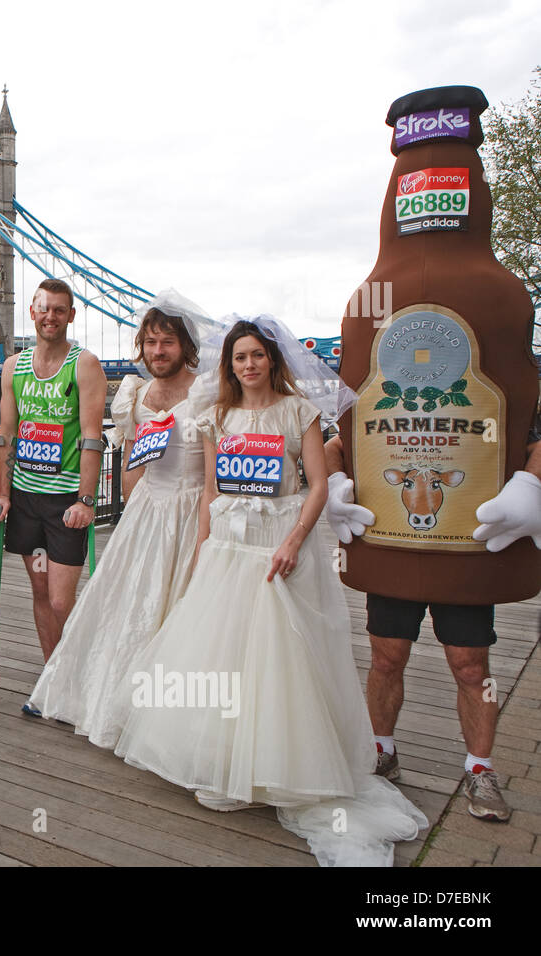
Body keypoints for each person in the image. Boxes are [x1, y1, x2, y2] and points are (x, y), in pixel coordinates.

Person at [109, 317, 426, 866]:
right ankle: (225, 761)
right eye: (239, 357)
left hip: (277, 540)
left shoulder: (298, 411)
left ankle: (280, 764)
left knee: (280, 657)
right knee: (222, 651)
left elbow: (318, 482)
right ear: (228, 364)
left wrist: (296, 540)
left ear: (271, 360)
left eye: (256, 355)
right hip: (229, 539)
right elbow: (210, 488)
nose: (248, 365)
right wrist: (203, 547)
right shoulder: (217, 416)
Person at [324, 413, 541, 822]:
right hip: (393, 550)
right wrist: (336, 482)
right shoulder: (382, 400)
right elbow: (337, 444)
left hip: (465, 554)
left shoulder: (482, 397)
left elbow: (535, 442)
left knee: (472, 668)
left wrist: (531, 482)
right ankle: (382, 750)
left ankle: (480, 768)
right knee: (386, 658)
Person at [26, 291, 216, 742]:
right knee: (130, 609)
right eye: (150, 343)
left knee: (180, 609)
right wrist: (131, 512)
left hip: (192, 510)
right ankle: (118, 704)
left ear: (185, 346)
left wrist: (207, 536)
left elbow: (213, 475)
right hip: (147, 513)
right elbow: (133, 458)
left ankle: (171, 721)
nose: (157, 352)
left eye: (167, 342)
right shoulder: (135, 394)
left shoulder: (208, 393)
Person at [0, 278, 108, 716]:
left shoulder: (85, 365)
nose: (50, 317)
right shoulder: (12, 368)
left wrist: (88, 500)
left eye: (60, 310)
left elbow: (93, 438)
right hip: (26, 500)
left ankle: (76, 676)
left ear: (71, 316)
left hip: (65, 505)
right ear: (32, 313)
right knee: (40, 593)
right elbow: (6, 434)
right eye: (44, 309)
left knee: (61, 599)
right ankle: (52, 680)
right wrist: (2, 493)